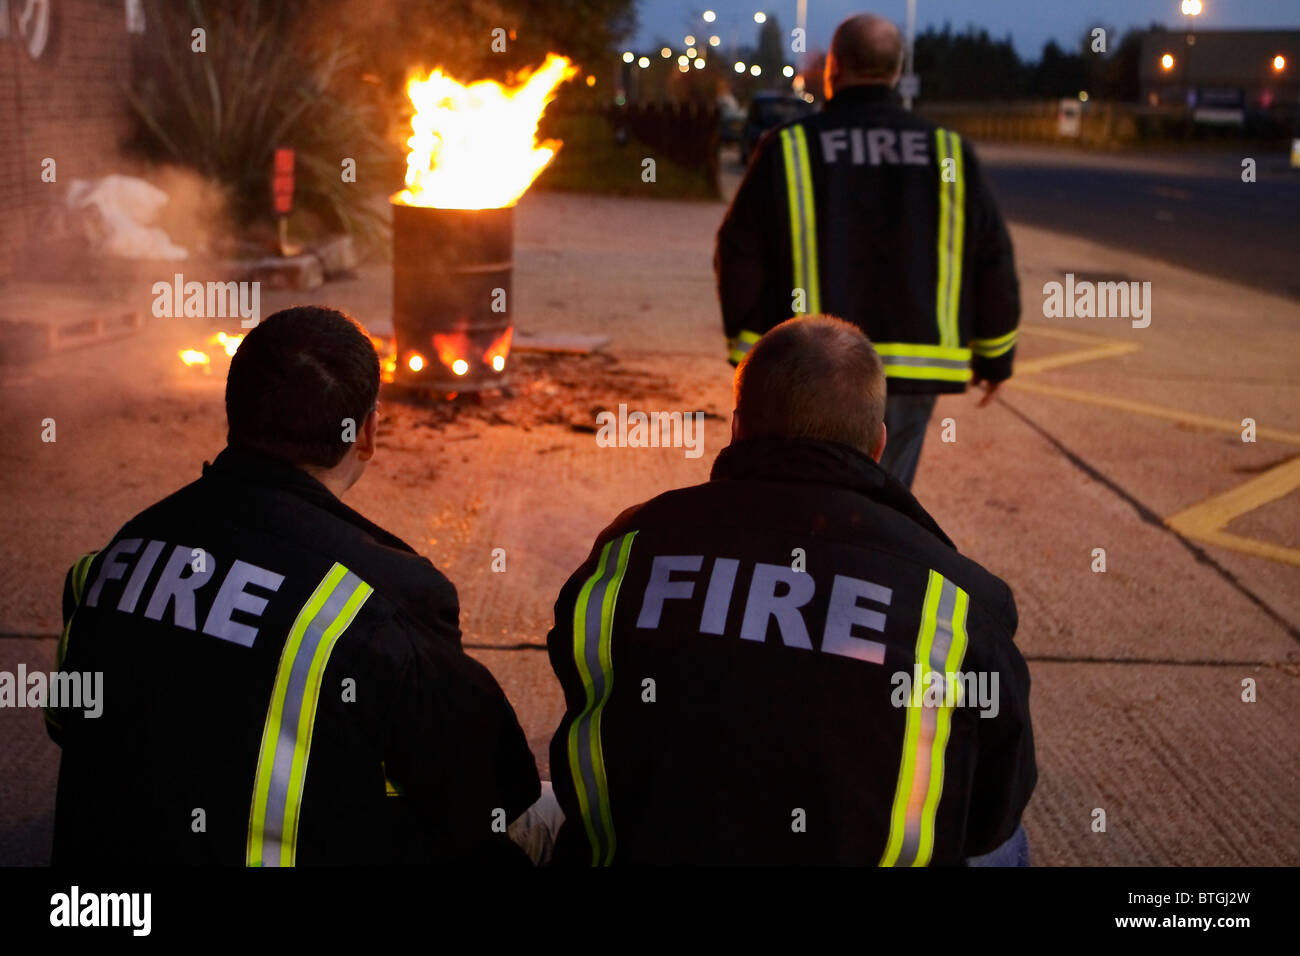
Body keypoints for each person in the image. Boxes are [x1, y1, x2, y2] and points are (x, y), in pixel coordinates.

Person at [46, 306, 540, 866]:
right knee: (530, 826)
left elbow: (65, 722)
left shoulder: (113, 559)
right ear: (368, 433)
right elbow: (486, 790)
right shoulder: (387, 601)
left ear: (233, 416)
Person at [546, 316, 1035, 865]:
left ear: (736, 428)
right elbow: (993, 811)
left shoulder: (627, 548)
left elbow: (584, 709)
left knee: (541, 806)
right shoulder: (961, 600)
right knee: (1009, 846)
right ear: (877, 445)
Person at [716, 12, 1021, 488]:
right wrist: (996, 355)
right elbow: (991, 259)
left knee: (796, 491)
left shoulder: (791, 147)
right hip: (914, 367)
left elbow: (738, 255)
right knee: (881, 500)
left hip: (809, 366)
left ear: (833, 68)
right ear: (896, 70)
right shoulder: (949, 151)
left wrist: (752, 354)